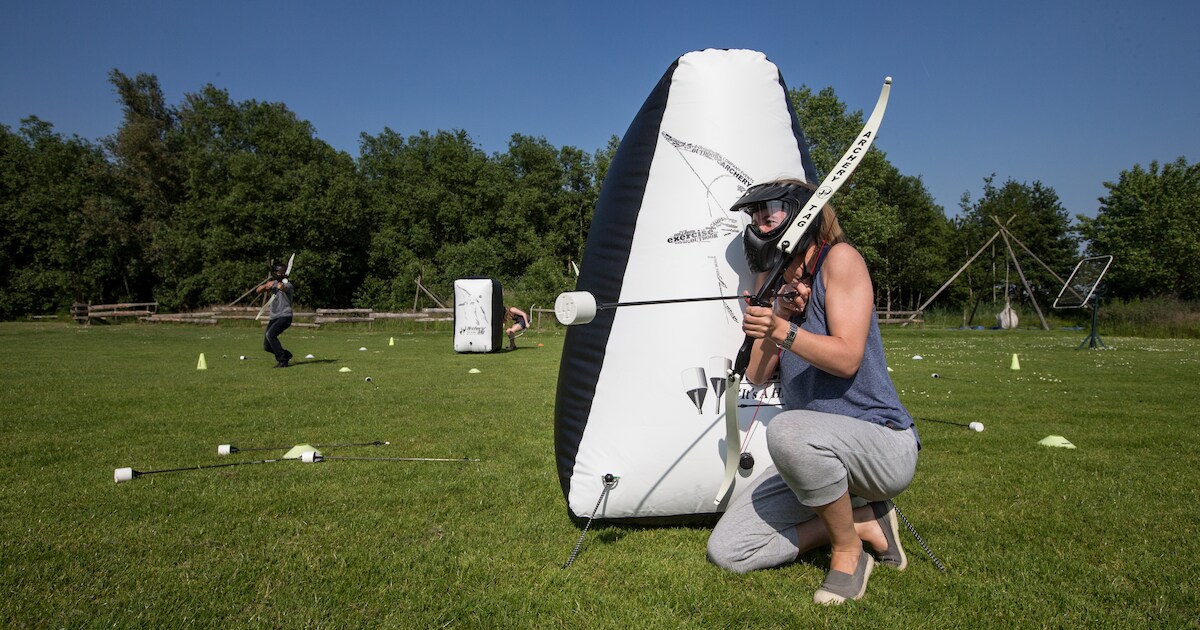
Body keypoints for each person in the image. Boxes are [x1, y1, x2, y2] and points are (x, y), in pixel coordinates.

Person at [706, 179, 920, 605]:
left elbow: (846, 359)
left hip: (882, 443)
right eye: (753, 215)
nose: (758, 221)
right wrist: (781, 312)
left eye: (768, 212)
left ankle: (848, 554)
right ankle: (863, 523)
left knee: (786, 431)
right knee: (728, 551)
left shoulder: (841, 260)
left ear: (802, 214)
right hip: (817, 455)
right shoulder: (778, 280)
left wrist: (783, 330)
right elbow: (758, 375)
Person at [256, 262, 294, 368]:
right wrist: (265, 286)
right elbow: (258, 290)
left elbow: (284, 288)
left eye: (281, 272)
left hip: (285, 316)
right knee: (267, 346)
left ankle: (282, 361)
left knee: (271, 335)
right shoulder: (272, 283)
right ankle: (286, 354)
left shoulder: (287, 284)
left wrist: (281, 287)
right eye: (278, 272)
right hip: (274, 317)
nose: (279, 273)